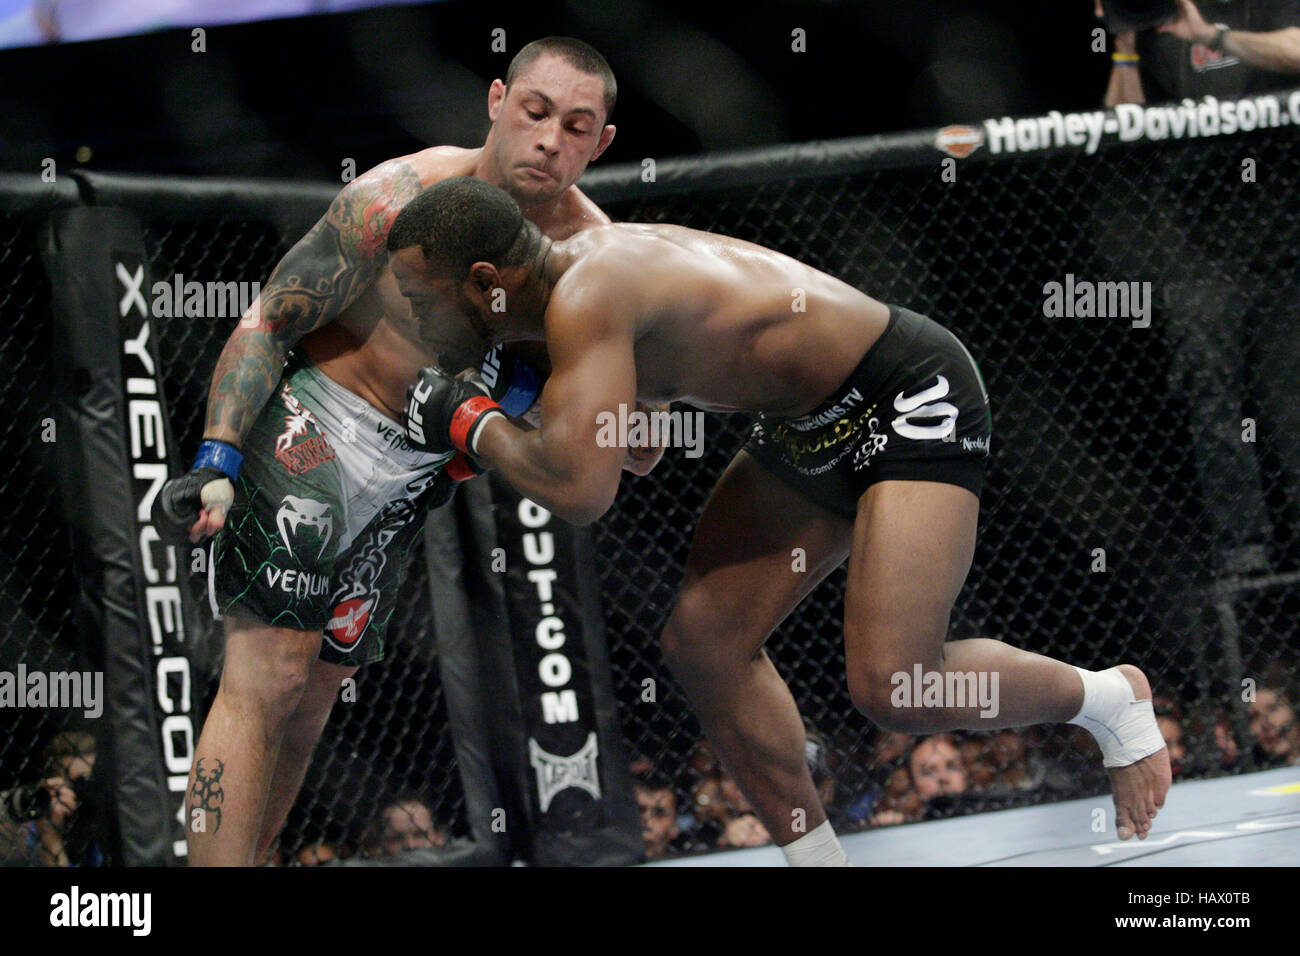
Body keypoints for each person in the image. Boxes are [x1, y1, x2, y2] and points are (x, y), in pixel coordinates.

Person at [392, 176, 1173, 866]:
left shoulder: (586, 292)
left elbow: (585, 493)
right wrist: (566, 408)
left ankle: (1106, 697)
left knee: (897, 684)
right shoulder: (565, 294)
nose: (422, 325)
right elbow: (640, 452)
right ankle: (819, 861)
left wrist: (472, 420)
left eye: (424, 300)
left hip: (904, 393)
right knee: (704, 642)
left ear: (486, 278)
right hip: (807, 424)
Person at [150, 37, 641, 866]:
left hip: (407, 487)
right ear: (495, 100)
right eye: (535, 112)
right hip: (311, 435)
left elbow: (638, 453)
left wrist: (592, 390)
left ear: (603, 143)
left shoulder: (596, 263)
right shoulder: (398, 194)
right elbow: (273, 316)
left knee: (312, 702)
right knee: (268, 677)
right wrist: (219, 457)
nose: (551, 138)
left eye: (577, 124)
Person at [1097, 0, 1300, 575]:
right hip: (1196, 243)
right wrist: (1126, 39)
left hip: (1283, 235)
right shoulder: (1153, 17)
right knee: (1210, 399)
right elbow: (1120, 124)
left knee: (1291, 399)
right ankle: (1245, 554)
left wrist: (1213, 33)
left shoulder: (1261, 5)